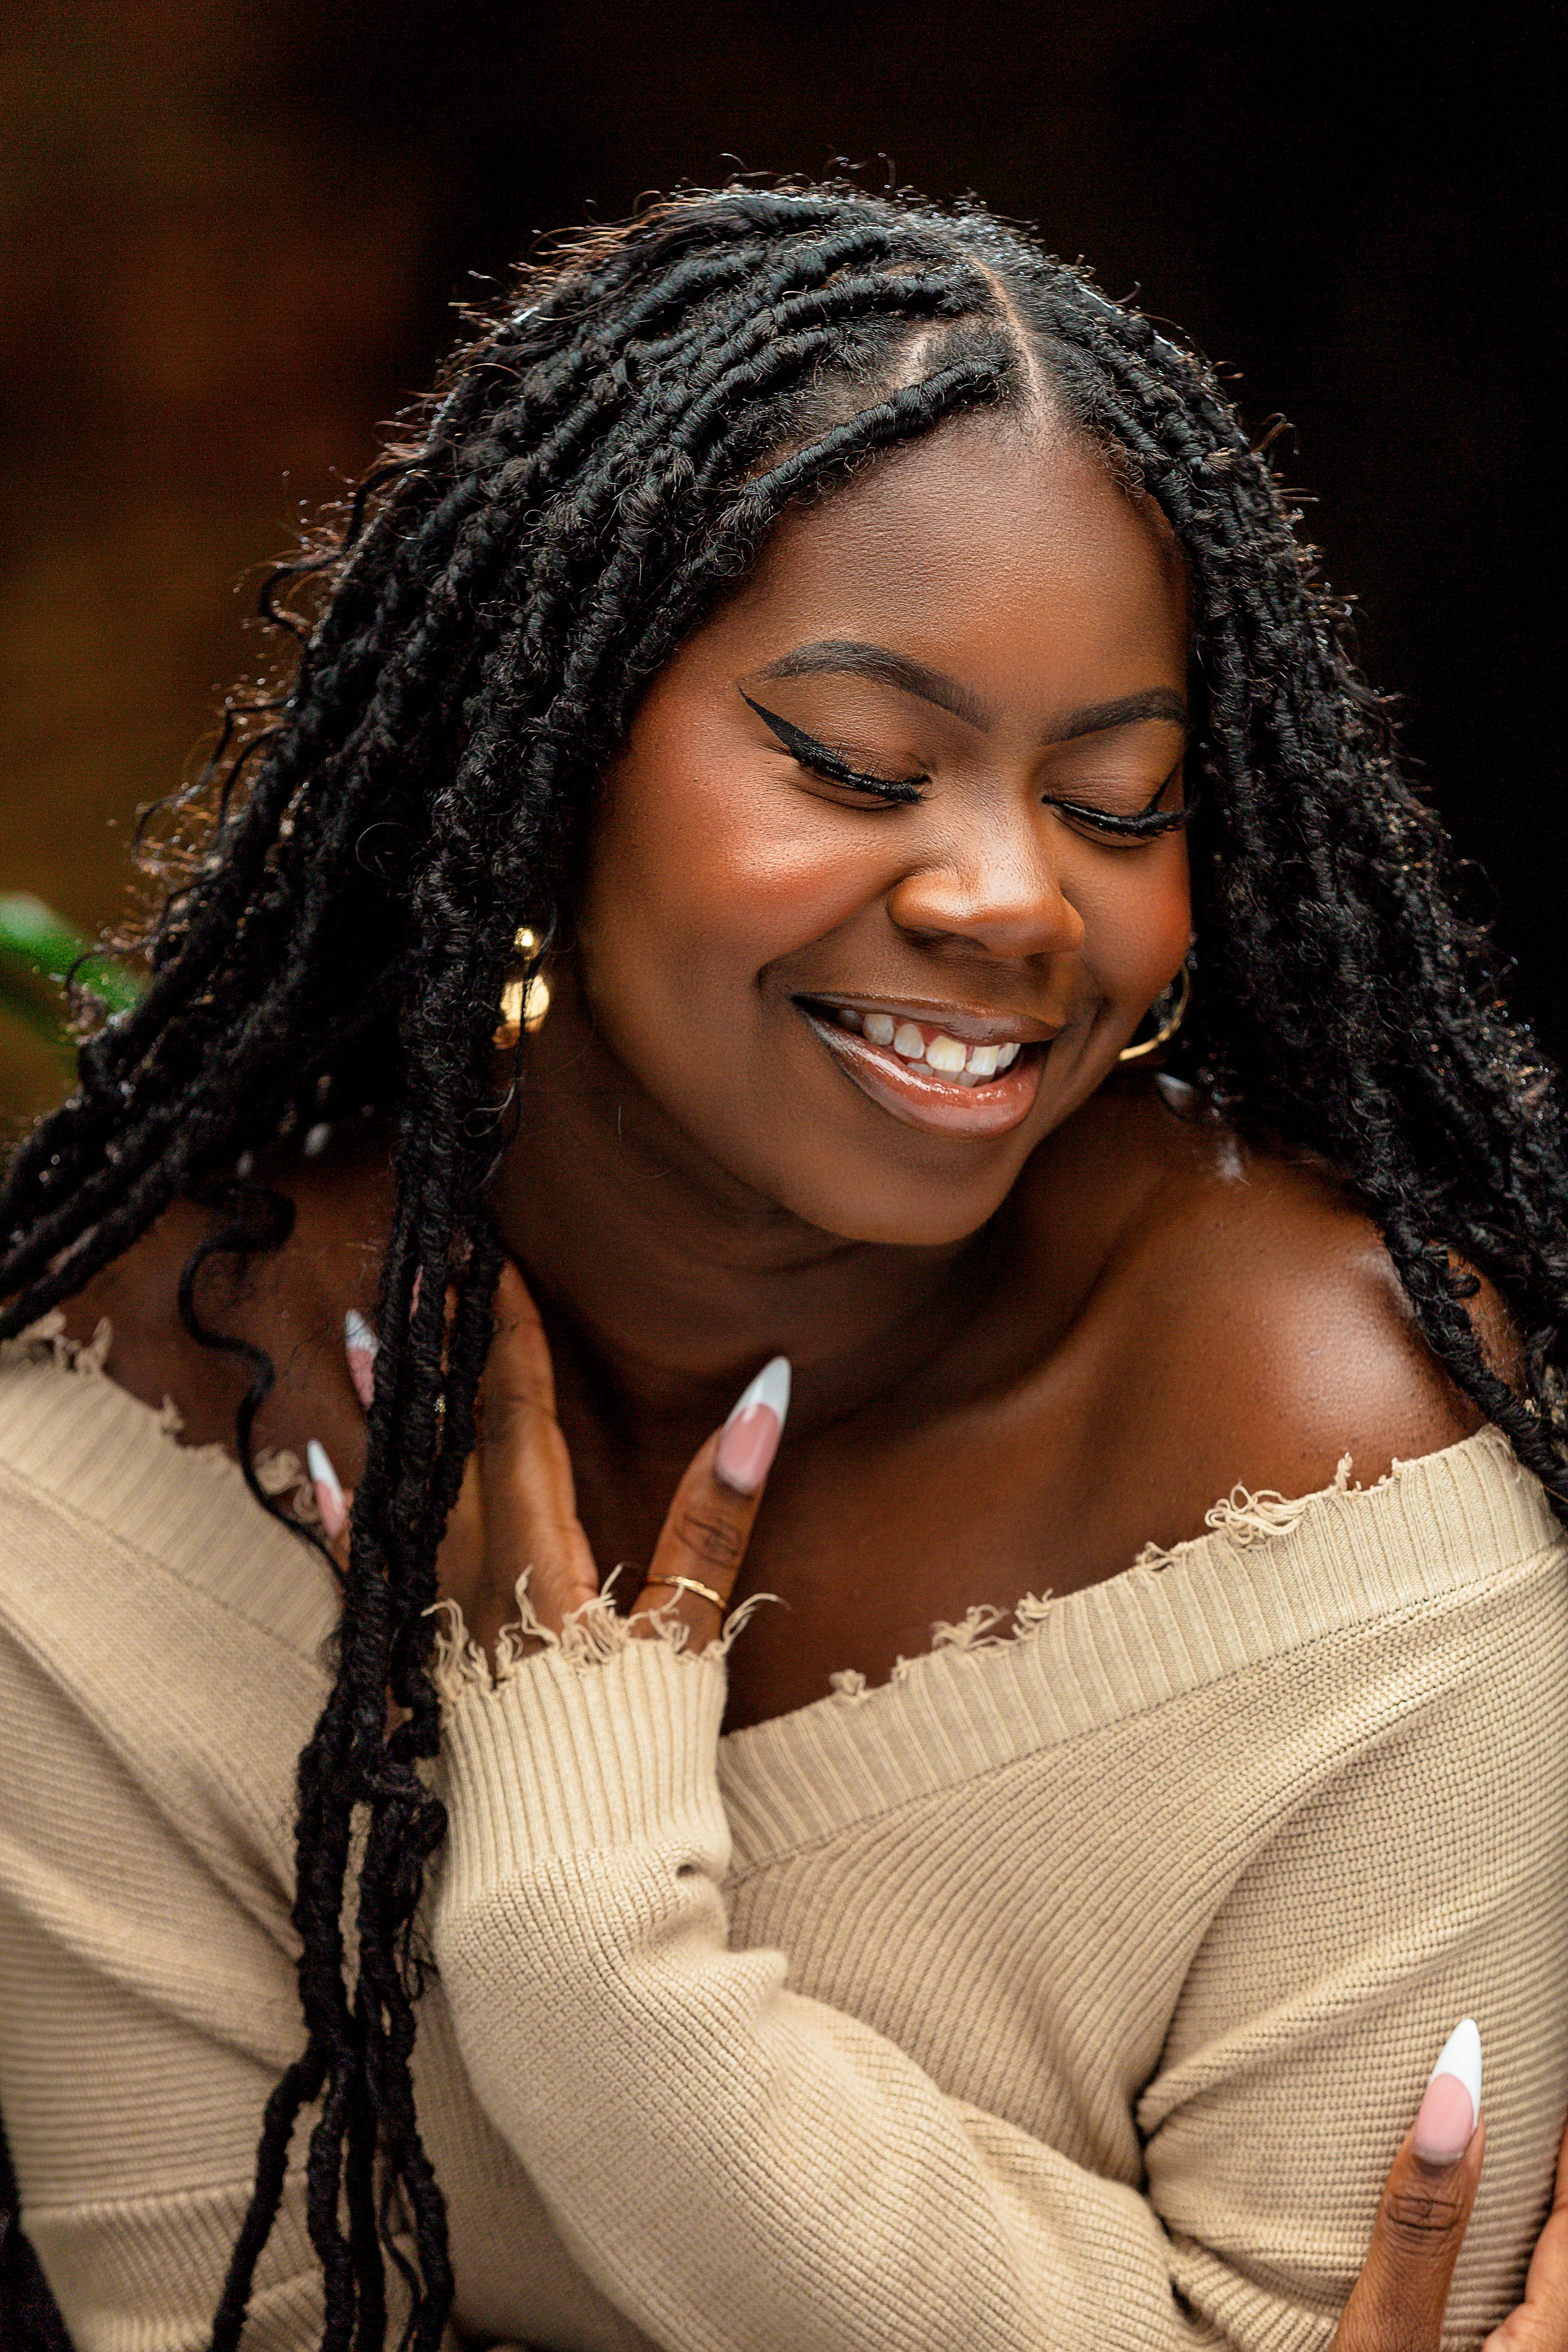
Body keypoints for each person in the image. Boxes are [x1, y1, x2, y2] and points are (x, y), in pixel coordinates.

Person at [0, 181, 1566, 2351]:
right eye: (857, 765)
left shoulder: (1355, 1474)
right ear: (536, 753)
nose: (1014, 898)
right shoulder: (138, 1431)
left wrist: (586, 1946)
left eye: (1121, 804)